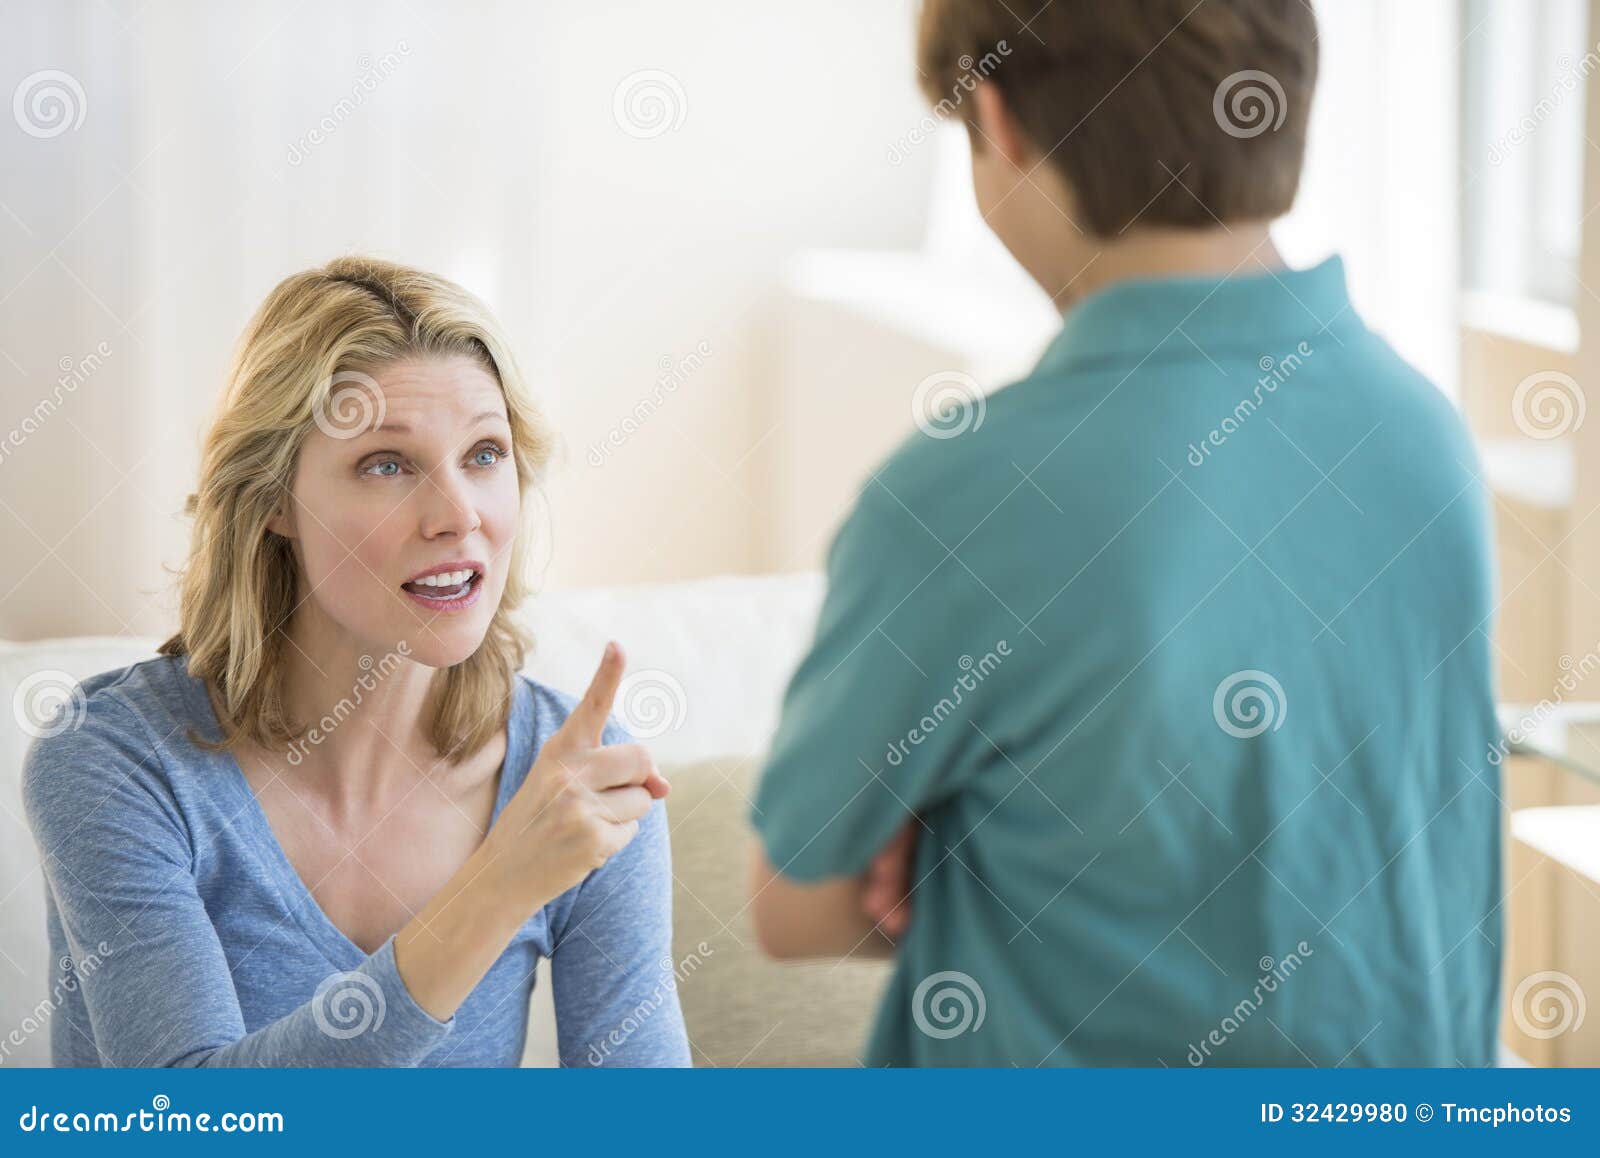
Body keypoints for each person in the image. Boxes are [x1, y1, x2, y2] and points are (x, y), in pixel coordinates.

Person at [747, 0, 1501, 1067]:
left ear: (997, 118)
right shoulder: (1425, 436)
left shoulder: (960, 494)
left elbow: (795, 905)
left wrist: (957, 852)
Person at [22, 256, 690, 1067]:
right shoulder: (115, 760)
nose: (458, 514)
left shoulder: (569, 781)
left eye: (484, 454)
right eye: (387, 465)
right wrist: (499, 884)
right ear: (272, 501)